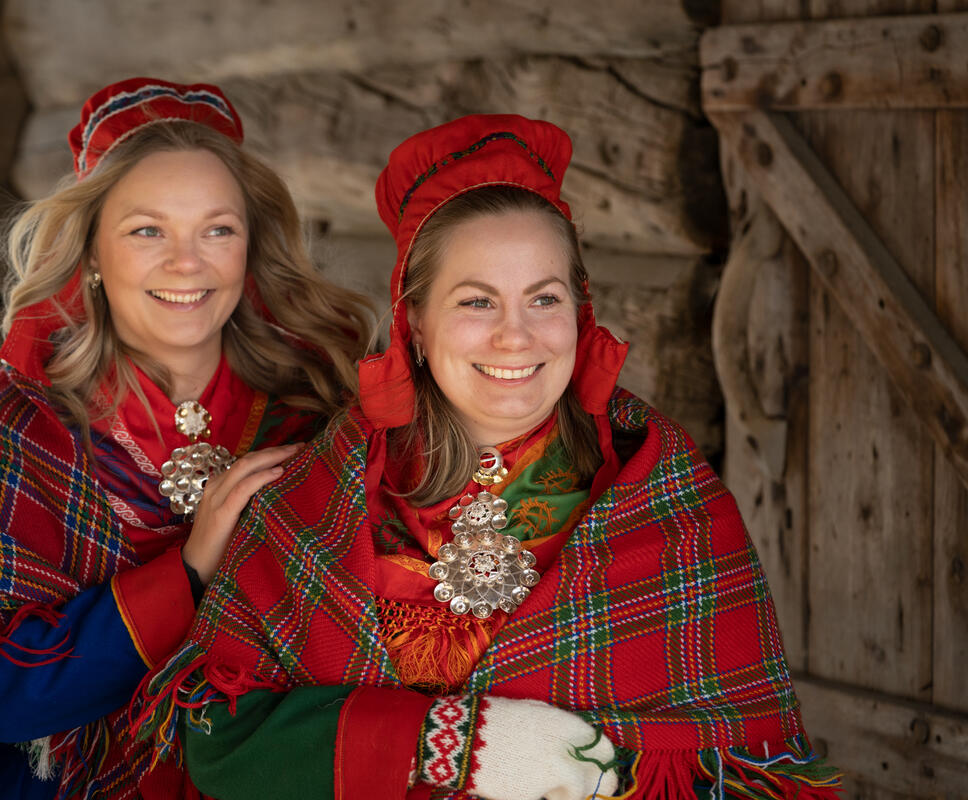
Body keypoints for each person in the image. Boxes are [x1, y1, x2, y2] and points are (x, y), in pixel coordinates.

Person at [132, 114, 842, 799]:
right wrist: (454, 742)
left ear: (580, 313)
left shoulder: (660, 495)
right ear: (414, 322)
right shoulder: (319, 496)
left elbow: (724, 767)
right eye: (477, 302)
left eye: (544, 299)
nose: (516, 336)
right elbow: (220, 741)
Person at [0, 78, 374, 800]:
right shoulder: (27, 426)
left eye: (216, 229)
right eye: (147, 230)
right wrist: (188, 570)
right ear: (93, 252)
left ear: (250, 248)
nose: (186, 263)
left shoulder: (317, 410)